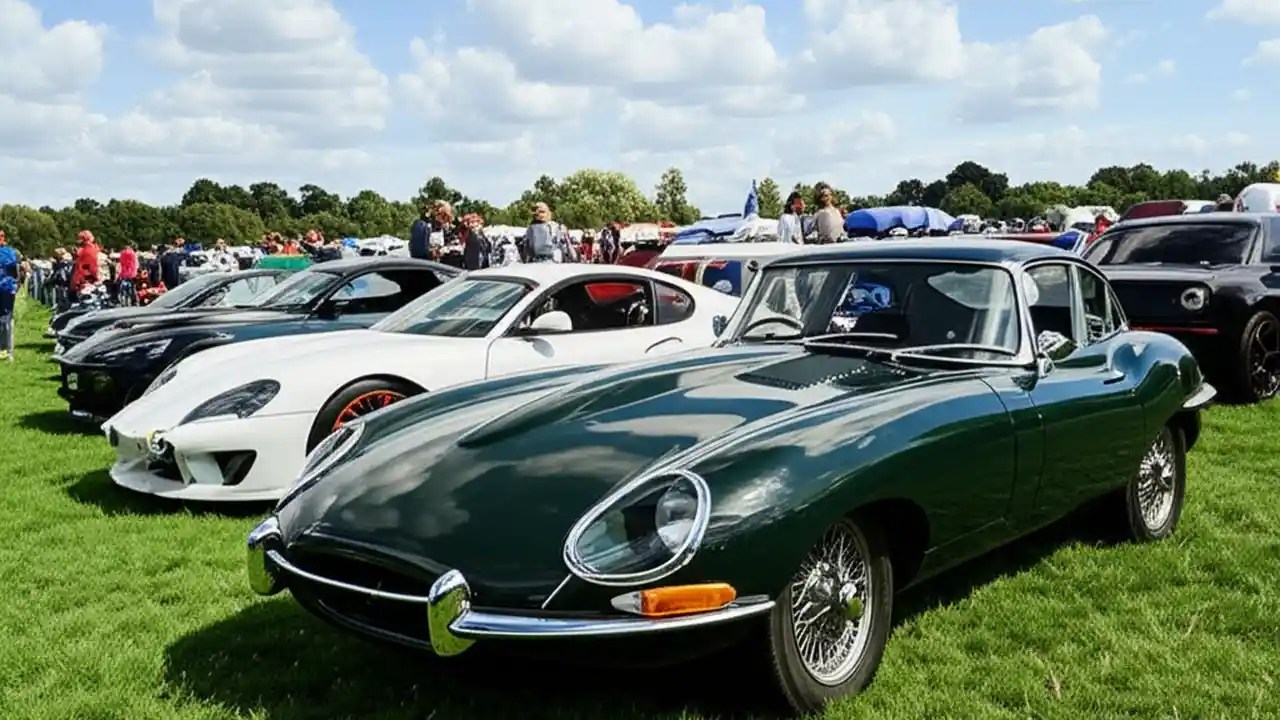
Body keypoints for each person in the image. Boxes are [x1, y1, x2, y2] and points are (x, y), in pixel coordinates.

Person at [0, 232, 19, 361]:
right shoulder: (10, 252)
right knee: (6, 319)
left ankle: (6, 350)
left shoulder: (8, 252)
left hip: (5, 287)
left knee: (5, 320)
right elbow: (16, 272)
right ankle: (7, 350)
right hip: (7, 287)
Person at [69, 230, 100, 296]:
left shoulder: (85, 250)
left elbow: (83, 267)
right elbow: (91, 267)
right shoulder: (91, 249)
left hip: (82, 280)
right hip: (87, 280)